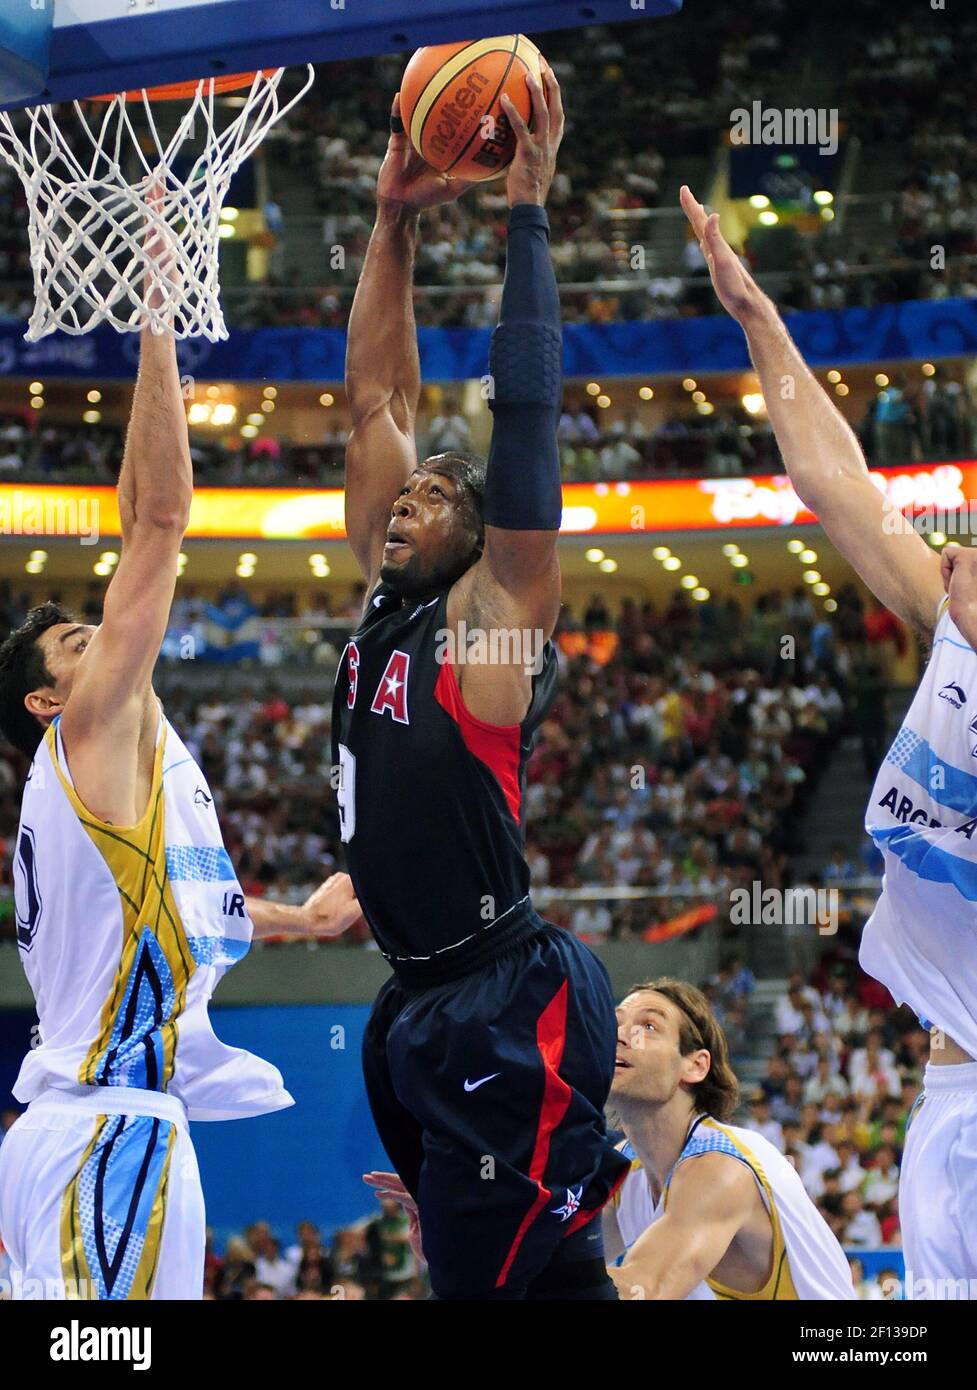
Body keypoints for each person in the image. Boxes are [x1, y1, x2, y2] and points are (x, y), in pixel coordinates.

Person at [0, 261, 362, 1300]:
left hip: (99, 1128)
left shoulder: (128, 773)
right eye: (80, 642)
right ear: (44, 702)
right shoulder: (90, 732)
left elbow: (184, 910)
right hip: (105, 1130)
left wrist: (300, 917)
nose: (108, 643)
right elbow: (156, 521)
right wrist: (159, 315)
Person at [334, 71, 627, 1300]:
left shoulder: (490, 629)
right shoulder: (383, 601)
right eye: (405, 495)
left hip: (502, 1003)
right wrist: (391, 221)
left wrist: (525, 215)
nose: (407, 503)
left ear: (477, 538)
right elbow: (378, 399)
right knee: (552, 1280)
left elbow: (526, 421)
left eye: (434, 498)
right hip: (417, 1003)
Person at [681, 183, 976, 1297]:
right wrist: (756, 317)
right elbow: (833, 481)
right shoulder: (945, 621)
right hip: (943, 1097)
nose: (950, 558)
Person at [604, 980, 855, 1300]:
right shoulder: (625, 1171)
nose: (621, 1034)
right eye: (614, 1023)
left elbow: (642, 1290)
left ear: (695, 1066)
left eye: (649, 1026)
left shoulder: (720, 1167)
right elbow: (550, 1256)